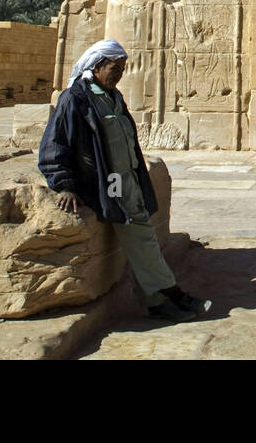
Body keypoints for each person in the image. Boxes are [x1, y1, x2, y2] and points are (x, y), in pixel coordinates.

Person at [38, 39, 203, 322]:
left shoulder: (112, 96)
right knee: (139, 236)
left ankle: (164, 293)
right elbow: (54, 145)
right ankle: (162, 295)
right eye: (116, 68)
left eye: (124, 69)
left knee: (144, 236)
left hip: (126, 179)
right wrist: (64, 184)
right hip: (107, 182)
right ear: (98, 65)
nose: (120, 74)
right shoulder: (75, 98)